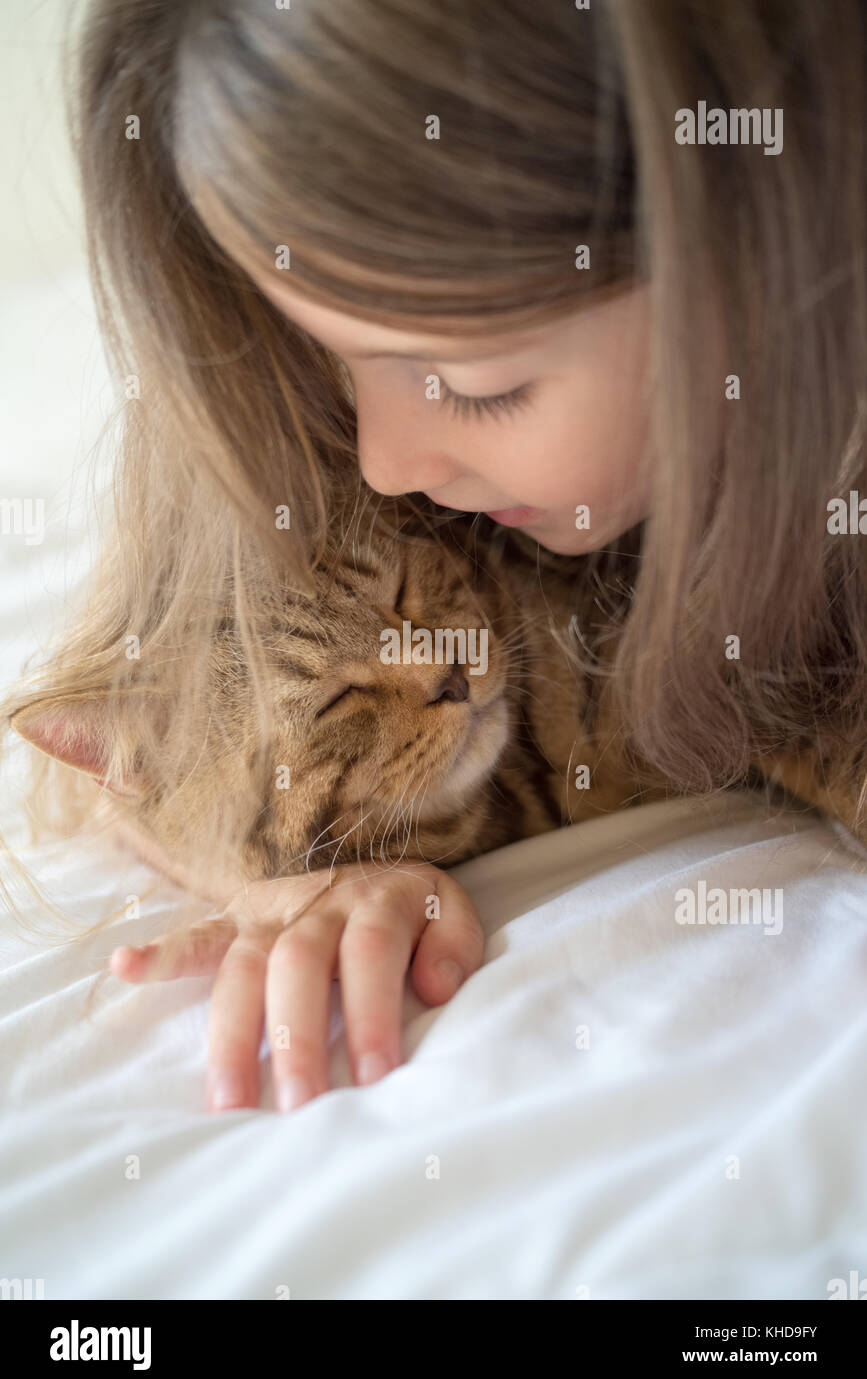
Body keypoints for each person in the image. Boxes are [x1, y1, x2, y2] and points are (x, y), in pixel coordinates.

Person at [3, 0, 866, 1114]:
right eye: (325, 365)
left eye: (469, 381)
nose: (385, 463)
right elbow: (114, 757)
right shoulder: (296, 469)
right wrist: (285, 875)